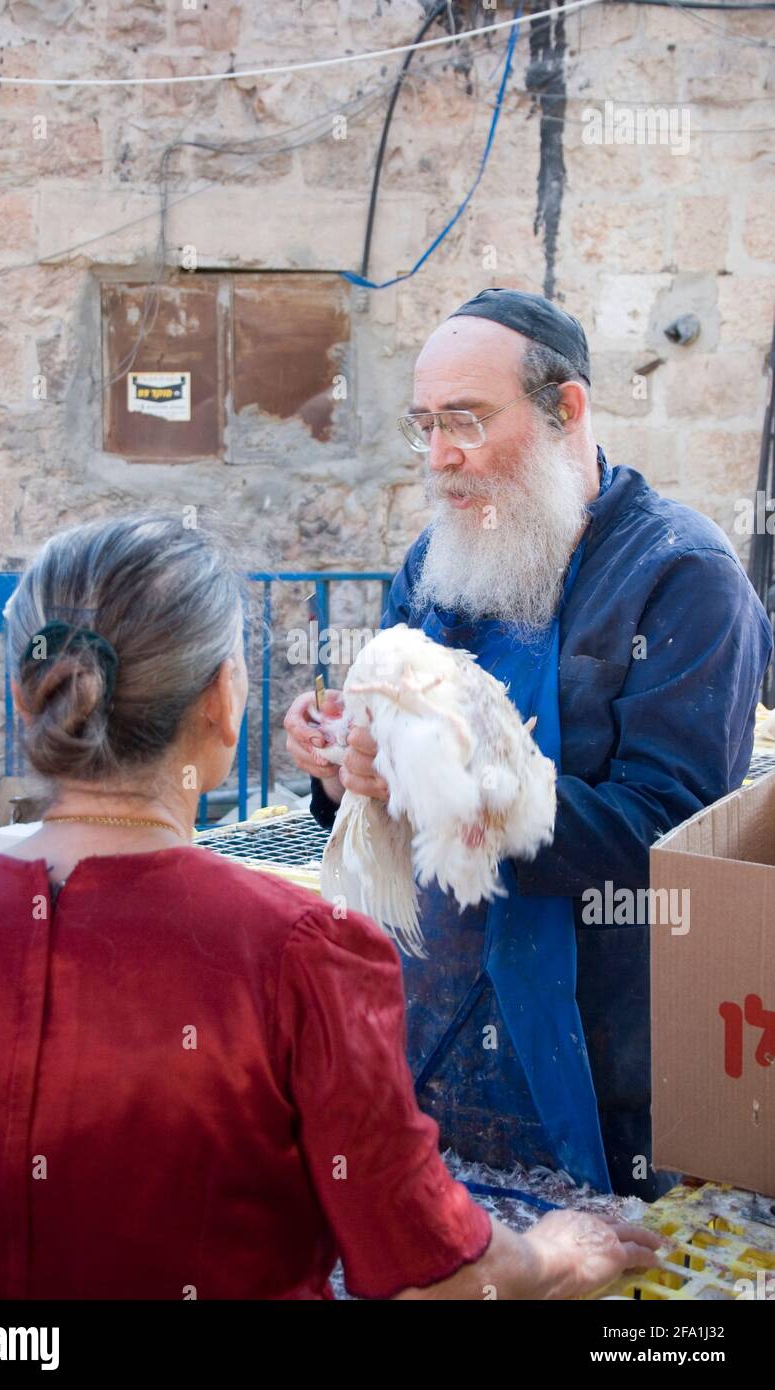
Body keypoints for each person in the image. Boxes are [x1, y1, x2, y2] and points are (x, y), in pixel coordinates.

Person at [0, 513, 659, 1300]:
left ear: (29, 707)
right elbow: (436, 1277)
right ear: (222, 701)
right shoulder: (305, 953)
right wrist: (559, 1254)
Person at [285, 288, 774, 1201]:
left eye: (465, 420)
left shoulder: (681, 579)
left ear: (566, 408)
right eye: (424, 425)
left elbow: (664, 840)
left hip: (598, 1056)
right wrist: (343, 762)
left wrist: (464, 786)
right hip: (432, 1039)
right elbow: (375, 787)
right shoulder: (437, 560)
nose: (440, 457)